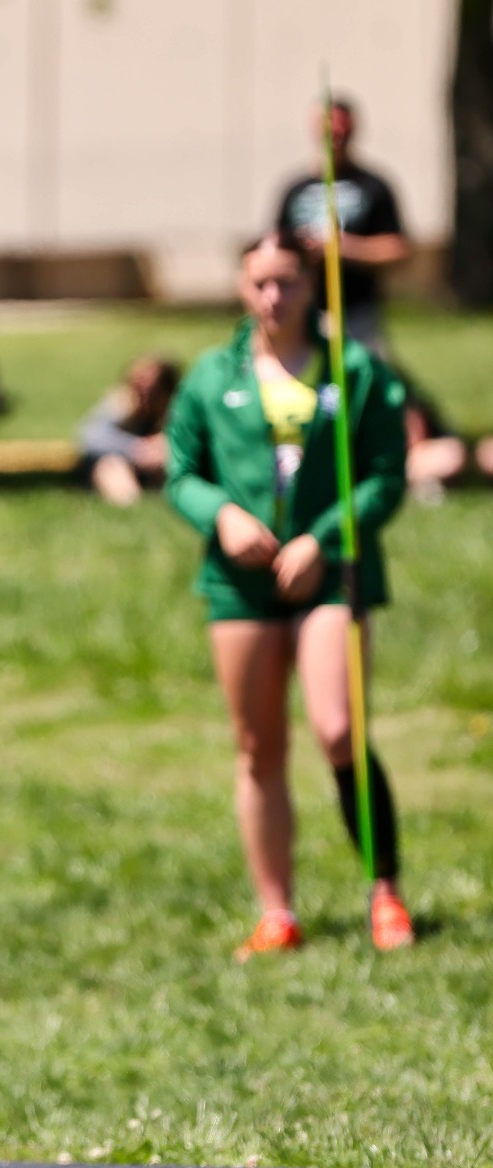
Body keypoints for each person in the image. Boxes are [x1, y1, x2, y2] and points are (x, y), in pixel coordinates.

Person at [164, 230, 411, 958]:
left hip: (327, 577)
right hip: (239, 583)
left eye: (289, 282)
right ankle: (278, 912)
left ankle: (385, 891)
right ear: (243, 288)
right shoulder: (212, 377)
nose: (275, 297)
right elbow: (181, 473)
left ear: (314, 287)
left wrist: (324, 538)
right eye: (261, 283)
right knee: (257, 746)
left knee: (337, 729)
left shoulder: (356, 370)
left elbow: (385, 476)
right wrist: (223, 516)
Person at [274, 97, 407, 354]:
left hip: (358, 313)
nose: (335, 139)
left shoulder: (374, 186)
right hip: (305, 311)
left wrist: (344, 248)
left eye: (341, 132)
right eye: (328, 132)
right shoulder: (295, 189)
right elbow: (276, 244)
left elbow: (396, 248)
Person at [76, 356, 181, 507]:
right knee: (110, 465)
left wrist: (167, 446)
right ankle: (131, 505)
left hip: (160, 469)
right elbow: (88, 437)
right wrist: (137, 448)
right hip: (121, 464)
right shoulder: (118, 404)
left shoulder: (177, 410)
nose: (146, 393)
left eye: (153, 389)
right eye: (140, 385)